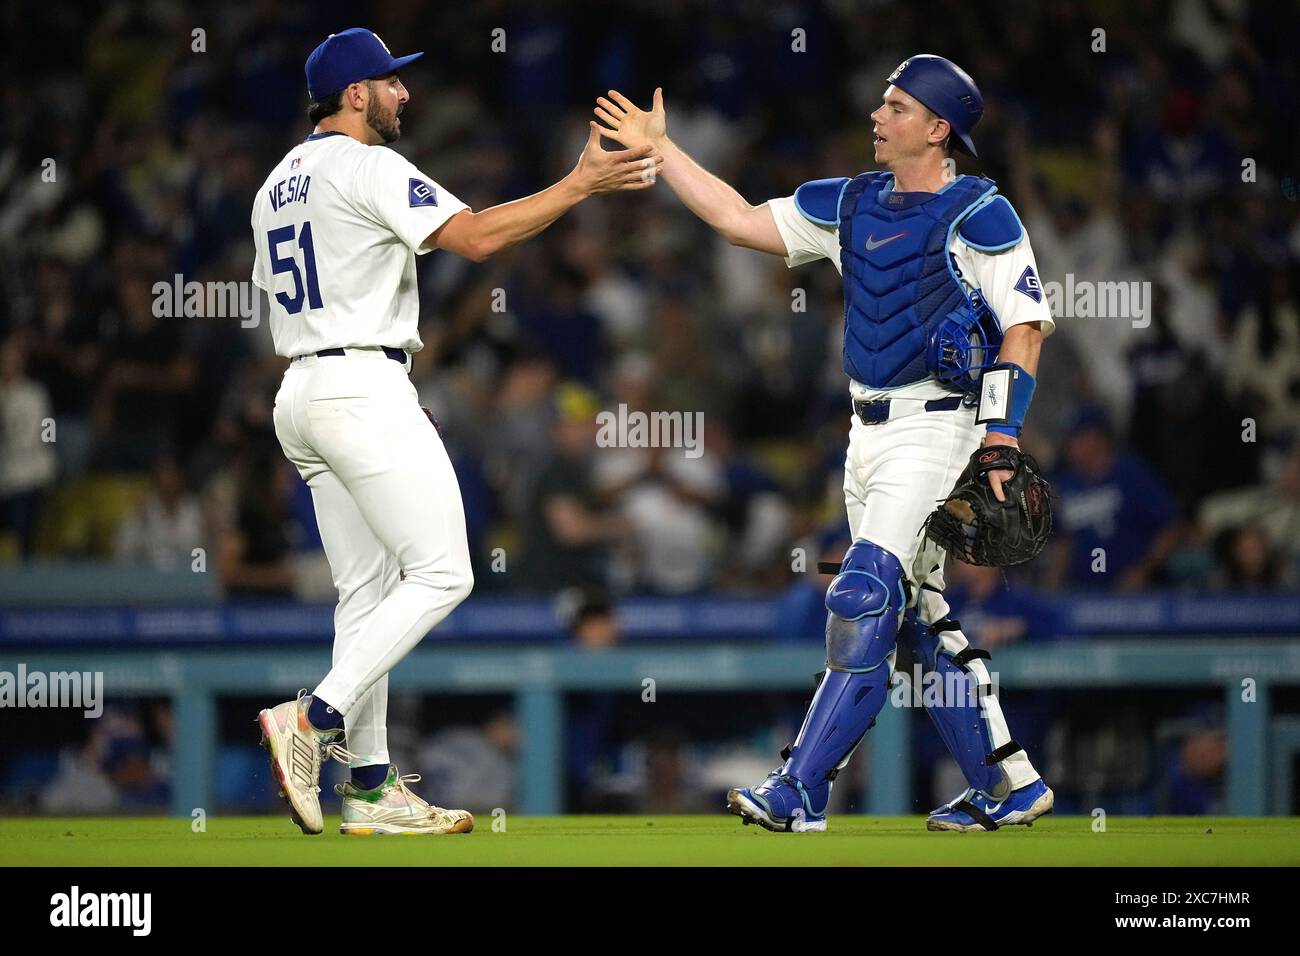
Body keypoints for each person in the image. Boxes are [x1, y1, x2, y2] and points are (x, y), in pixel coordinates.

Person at [596, 55, 1054, 832]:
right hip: (865, 432)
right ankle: (1009, 784)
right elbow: (740, 221)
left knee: (864, 591)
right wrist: (663, 151)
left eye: (899, 107)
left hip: (941, 426)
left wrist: (1001, 439)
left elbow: (1026, 327)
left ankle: (799, 787)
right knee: (915, 615)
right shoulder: (850, 201)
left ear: (939, 129)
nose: (879, 116)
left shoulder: (981, 211)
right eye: (883, 102)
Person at [252, 28, 661, 836]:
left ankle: (370, 790)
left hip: (302, 389)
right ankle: (312, 718)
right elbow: (474, 238)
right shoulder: (368, 163)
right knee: (444, 575)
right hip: (359, 384)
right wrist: (579, 183)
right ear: (356, 94)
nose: (405, 94)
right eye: (390, 82)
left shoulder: (274, 184)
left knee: (365, 596)